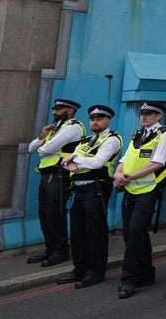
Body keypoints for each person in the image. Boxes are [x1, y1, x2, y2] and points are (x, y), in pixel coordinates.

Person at [112, 101, 166, 299]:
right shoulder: (137, 135)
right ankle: (146, 272)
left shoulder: (164, 134)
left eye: (149, 114)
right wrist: (118, 174)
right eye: (142, 113)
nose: (144, 117)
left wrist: (130, 176)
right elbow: (124, 160)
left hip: (148, 190)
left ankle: (129, 279)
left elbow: (157, 163)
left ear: (159, 116)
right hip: (130, 189)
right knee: (132, 234)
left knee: (136, 231)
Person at [56, 104, 121, 289]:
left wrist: (75, 161)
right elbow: (64, 162)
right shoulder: (86, 141)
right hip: (79, 190)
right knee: (77, 232)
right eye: (92, 119)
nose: (95, 122)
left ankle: (96, 271)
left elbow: (98, 162)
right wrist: (70, 162)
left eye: (99, 119)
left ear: (108, 120)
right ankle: (80, 268)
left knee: (95, 232)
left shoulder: (112, 139)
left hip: (96, 189)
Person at [26, 97, 85, 267]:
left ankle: (60, 250)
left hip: (60, 175)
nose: (54, 112)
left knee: (55, 213)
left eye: (59, 109)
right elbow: (32, 148)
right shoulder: (55, 128)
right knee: (44, 213)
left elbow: (46, 149)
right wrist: (42, 136)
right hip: (47, 175)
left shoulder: (73, 127)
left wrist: (43, 145)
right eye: (54, 109)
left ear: (70, 111)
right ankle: (50, 248)